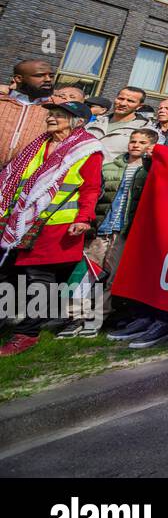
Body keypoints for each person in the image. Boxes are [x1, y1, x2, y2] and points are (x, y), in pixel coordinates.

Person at [0, 100, 103, 357]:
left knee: (39, 279)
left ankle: (27, 334)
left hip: (57, 225)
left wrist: (84, 218)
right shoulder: (40, 144)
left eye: (60, 115)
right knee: (7, 275)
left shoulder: (87, 149)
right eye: (52, 114)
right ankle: (6, 320)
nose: (52, 118)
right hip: (20, 222)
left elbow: (91, 188)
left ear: (77, 122)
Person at [82, 129, 157, 342]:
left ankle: (97, 318)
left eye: (142, 142)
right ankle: (75, 316)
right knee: (88, 275)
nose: (135, 145)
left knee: (111, 276)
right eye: (133, 141)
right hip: (103, 226)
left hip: (124, 230)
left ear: (150, 146)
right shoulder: (110, 167)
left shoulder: (149, 169)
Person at [86, 86, 153, 159]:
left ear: (139, 106)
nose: (123, 103)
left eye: (130, 101)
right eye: (120, 98)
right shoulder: (95, 122)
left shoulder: (145, 130)